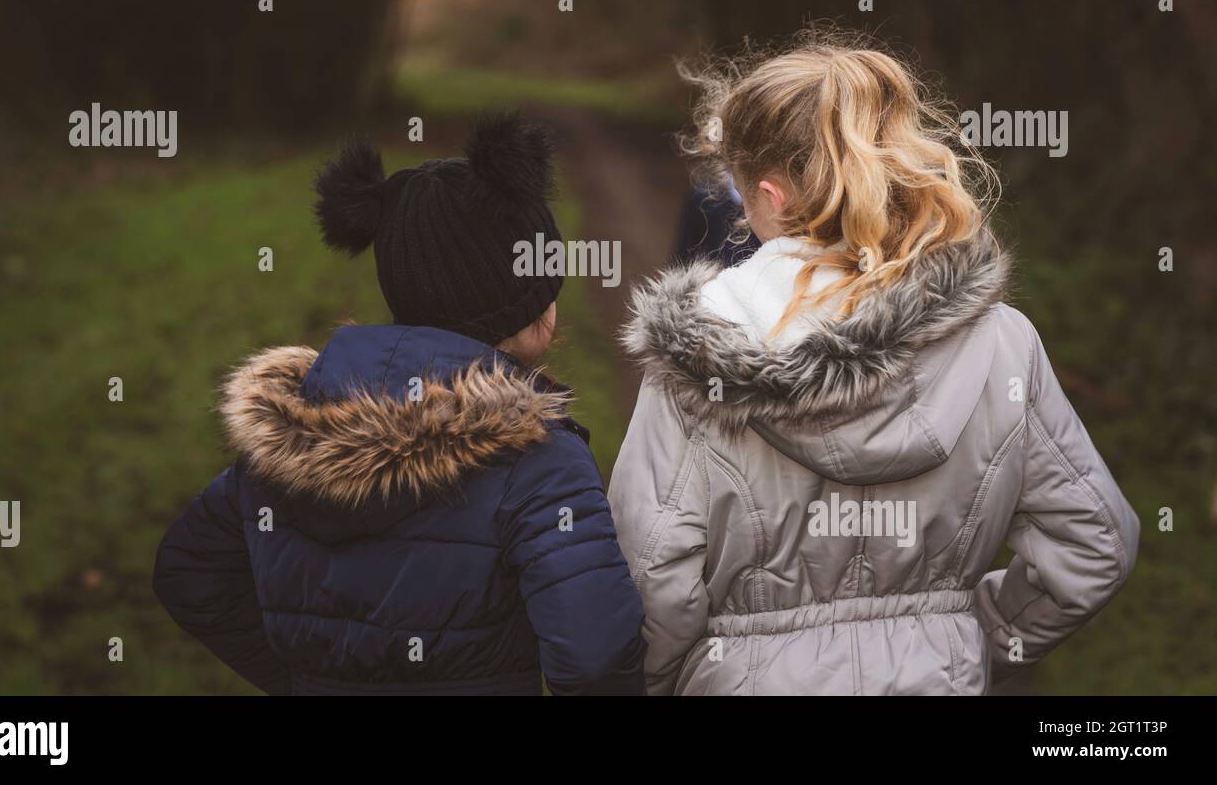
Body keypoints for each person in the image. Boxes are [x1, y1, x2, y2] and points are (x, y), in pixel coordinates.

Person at [610, 34, 1139, 695]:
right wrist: (968, 638)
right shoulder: (1003, 342)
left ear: (772, 196)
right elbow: (1096, 543)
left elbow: (651, 572)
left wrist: (667, 680)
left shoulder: (700, 350)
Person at [154, 112, 646, 695]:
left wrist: (298, 681)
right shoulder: (538, 461)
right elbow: (594, 656)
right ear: (533, 307)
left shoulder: (292, 433)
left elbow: (189, 572)